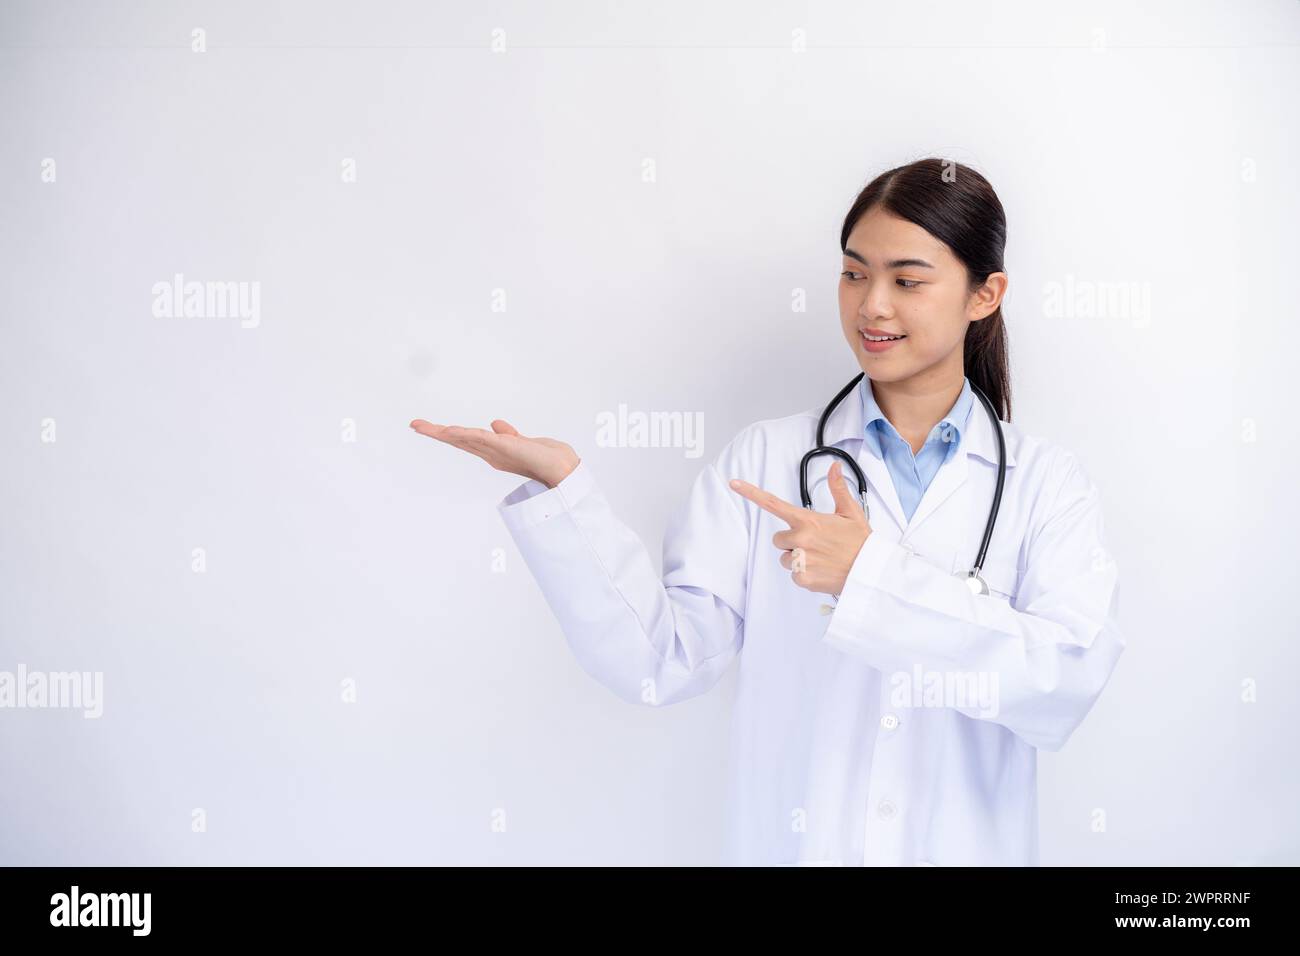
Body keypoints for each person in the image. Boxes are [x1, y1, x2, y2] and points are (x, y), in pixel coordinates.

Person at [410, 158, 1126, 866]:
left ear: (984, 294)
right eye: (854, 274)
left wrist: (871, 576)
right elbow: (662, 662)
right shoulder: (764, 461)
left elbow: (1064, 684)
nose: (872, 305)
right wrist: (565, 495)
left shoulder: (1044, 484)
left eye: (906, 280)